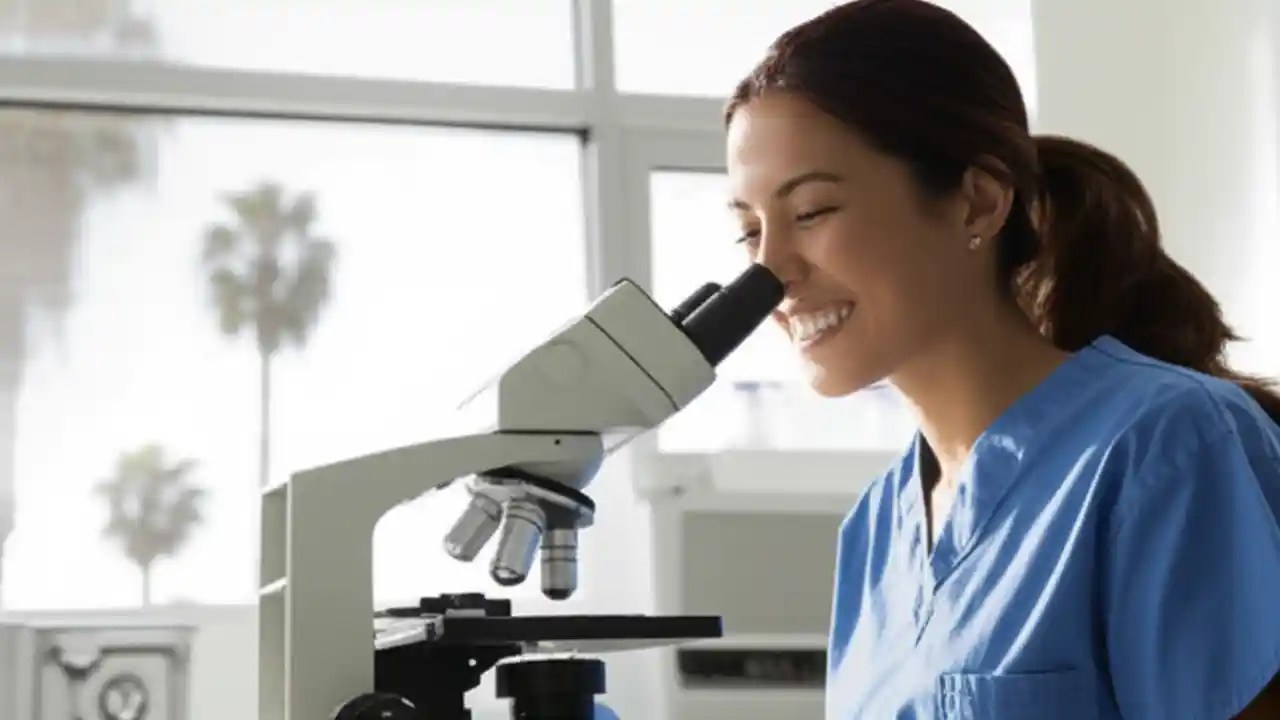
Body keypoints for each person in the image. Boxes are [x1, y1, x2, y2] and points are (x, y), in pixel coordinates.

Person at [722, 1, 1280, 718]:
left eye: (813, 213)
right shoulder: (874, 529)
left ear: (978, 203)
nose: (771, 270)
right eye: (747, 232)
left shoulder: (1166, 444)